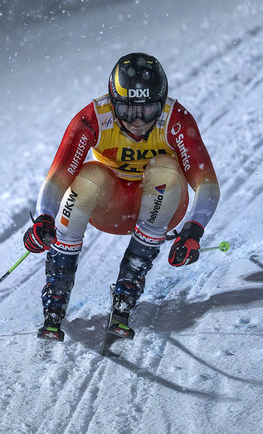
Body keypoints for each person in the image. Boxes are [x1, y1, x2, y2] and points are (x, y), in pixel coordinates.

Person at [23, 52, 220, 341]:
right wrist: (45, 219)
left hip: (161, 204)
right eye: (127, 111)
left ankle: (129, 285)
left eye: (148, 109)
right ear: (112, 102)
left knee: (165, 169)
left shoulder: (175, 118)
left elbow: (207, 184)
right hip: (111, 208)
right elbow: (57, 178)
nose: (138, 122)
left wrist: (193, 229)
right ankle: (56, 293)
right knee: (90, 176)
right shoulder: (93, 118)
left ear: (162, 103)